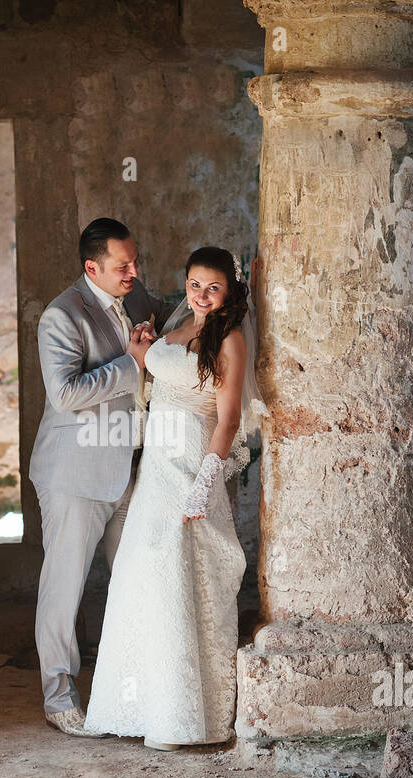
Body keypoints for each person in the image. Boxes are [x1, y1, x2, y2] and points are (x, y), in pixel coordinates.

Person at [83, 246, 266, 749]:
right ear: (184, 285)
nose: (201, 295)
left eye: (213, 287)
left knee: (185, 579)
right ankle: (141, 707)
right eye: (194, 285)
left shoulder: (228, 339)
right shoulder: (176, 330)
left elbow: (228, 419)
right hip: (157, 469)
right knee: (143, 577)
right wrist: (145, 355)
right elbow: (153, 381)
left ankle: (186, 717)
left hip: (190, 468)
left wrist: (204, 485)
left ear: (229, 291)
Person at [29, 217, 169, 736]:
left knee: (136, 581)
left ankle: (130, 689)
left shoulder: (134, 297)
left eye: (135, 261)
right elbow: (65, 394)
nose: (134, 272)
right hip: (74, 473)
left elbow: (164, 318)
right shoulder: (61, 316)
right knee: (64, 589)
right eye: (122, 265)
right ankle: (59, 695)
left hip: (132, 471)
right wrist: (133, 364)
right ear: (92, 268)